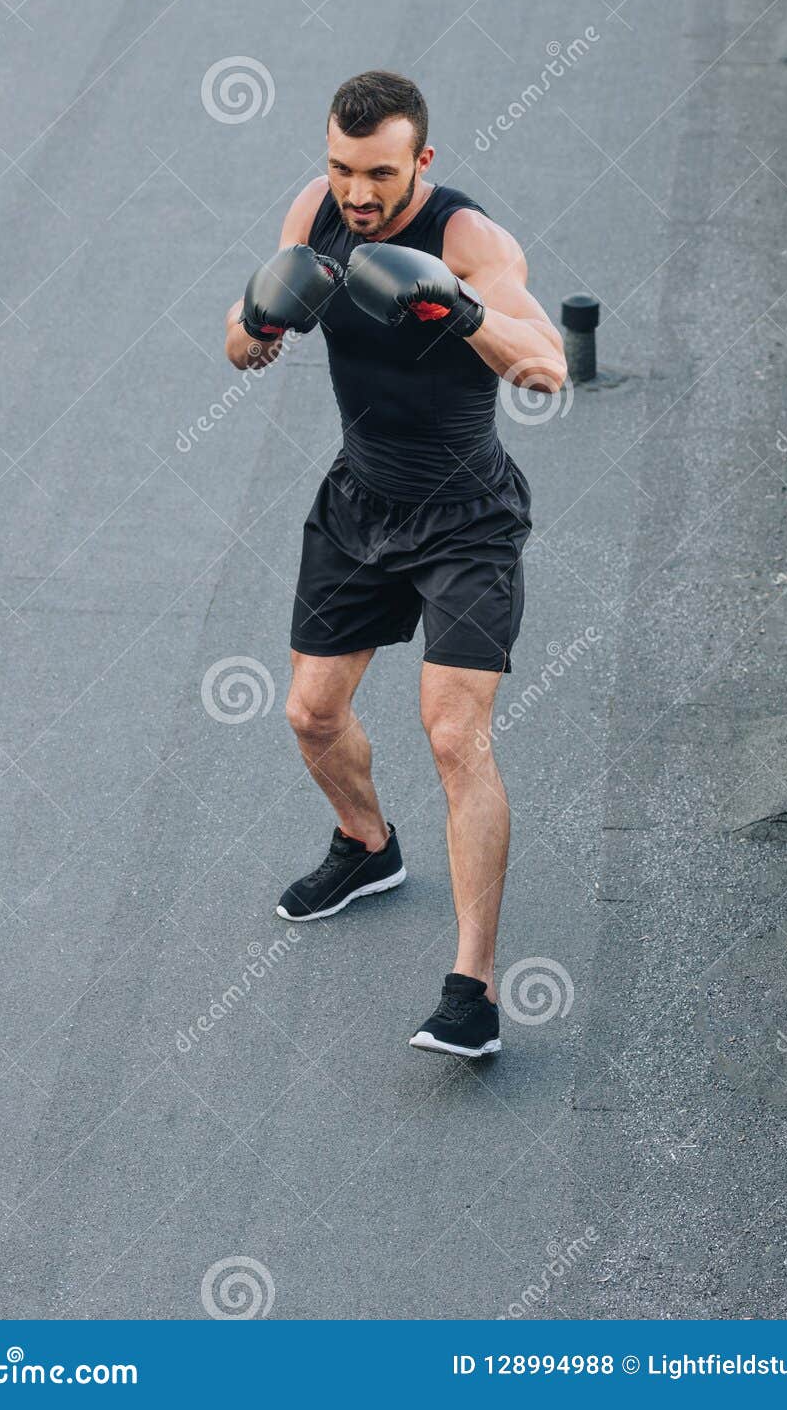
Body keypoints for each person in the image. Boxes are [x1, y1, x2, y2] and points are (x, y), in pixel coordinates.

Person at [224, 70, 567, 1057]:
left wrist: (458, 312)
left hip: (466, 520)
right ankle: (369, 845)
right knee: (309, 713)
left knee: (455, 733)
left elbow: (545, 362)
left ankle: (474, 987)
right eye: (341, 168)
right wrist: (261, 320)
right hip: (358, 504)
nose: (356, 193)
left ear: (422, 161)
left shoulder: (469, 241)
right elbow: (237, 344)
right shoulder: (316, 210)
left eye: (377, 173)